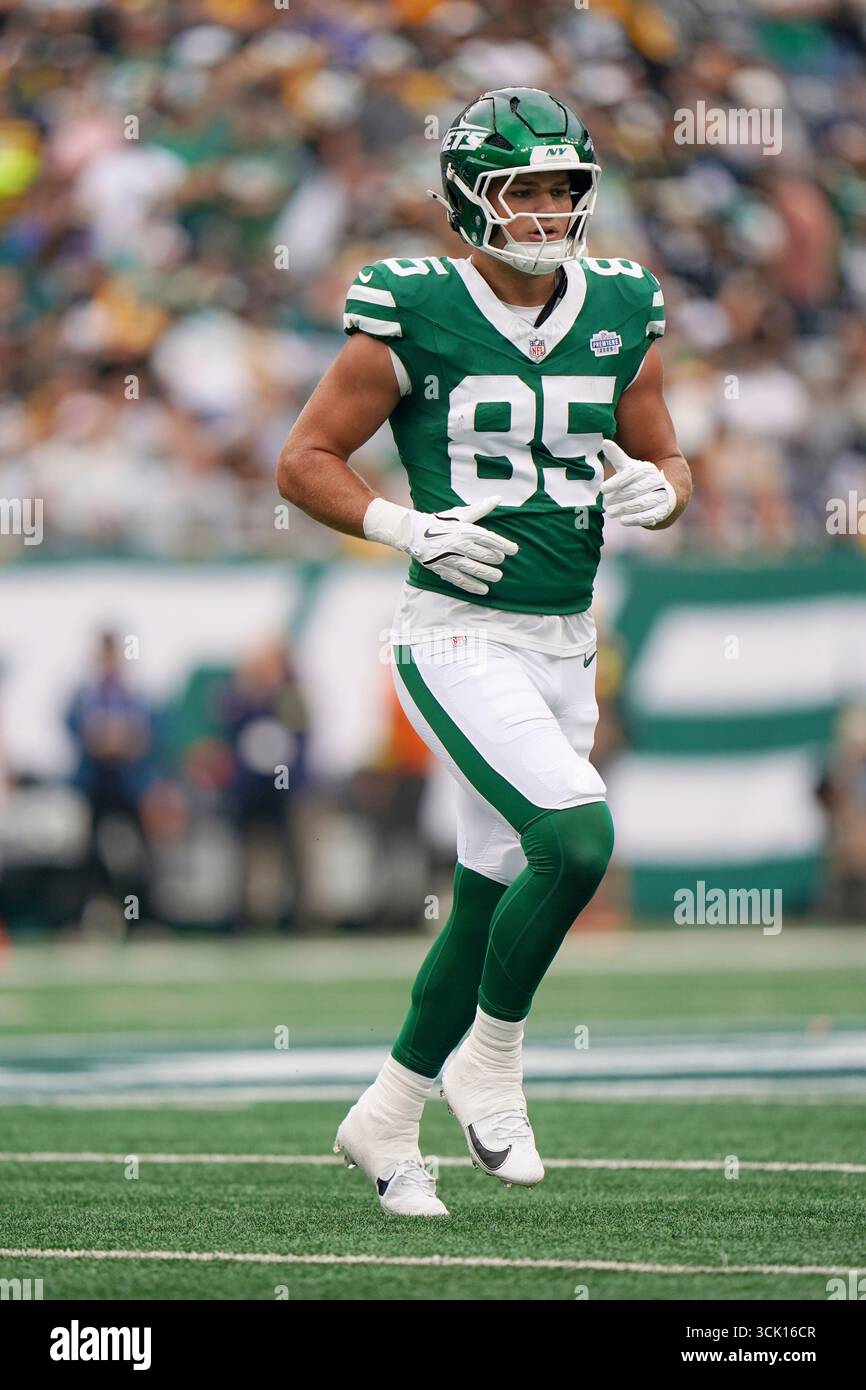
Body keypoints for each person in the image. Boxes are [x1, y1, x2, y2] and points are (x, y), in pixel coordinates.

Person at [276, 88, 692, 1216]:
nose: (548, 208)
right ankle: (490, 1059)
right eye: (524, 188)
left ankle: (384, 1116)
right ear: (470, 195)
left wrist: (665, 489)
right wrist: (398, 524)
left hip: (565, 639)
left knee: (484, 896)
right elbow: (304, 456)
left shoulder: (617, 302)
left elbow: (658, 453)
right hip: (453, 631)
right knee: (575, 834)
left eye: (563, 186)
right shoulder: (412, 305)